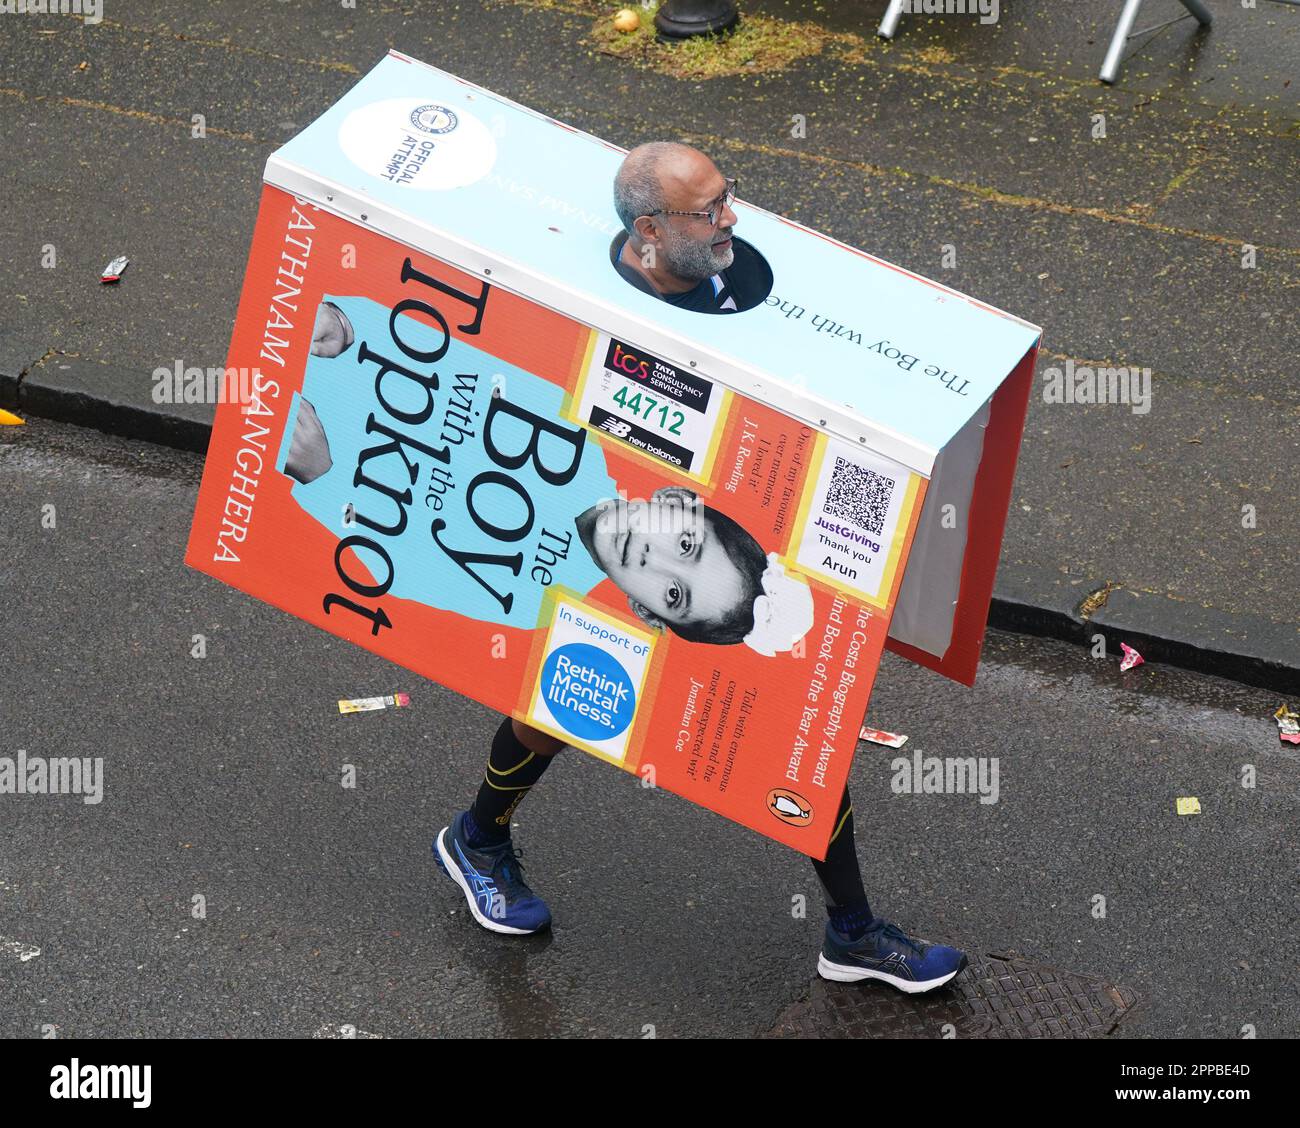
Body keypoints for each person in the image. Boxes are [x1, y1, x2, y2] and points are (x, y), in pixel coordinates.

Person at [434, 142, 968, 994]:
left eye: (727, 199)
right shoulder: (593, 299)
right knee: (559, 704)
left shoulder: (735, 281)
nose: (731, 220)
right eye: (708, 210)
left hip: (697, 515)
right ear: (648, 229)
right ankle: (479, 839)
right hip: (567, 506)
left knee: (800, 729)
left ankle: (853, 932)